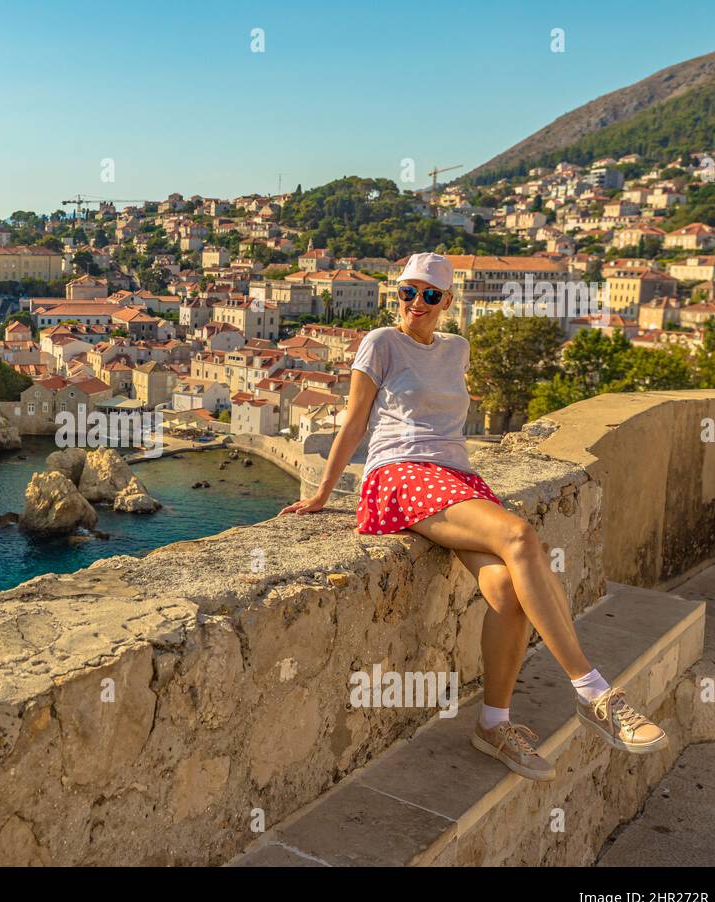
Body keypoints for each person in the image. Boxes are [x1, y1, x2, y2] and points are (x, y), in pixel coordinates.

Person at [279, 252, 665, 780]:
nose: (417, 303)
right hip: (399, 474)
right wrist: (325, 491)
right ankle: (593, 690)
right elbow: (354, 420)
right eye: (408, 292)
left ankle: (493, 723)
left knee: (508, 592)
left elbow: (449, 424)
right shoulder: (380, 342)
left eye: (430, 294)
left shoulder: (457, 349)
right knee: (520, 534)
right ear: (397, 295)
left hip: (456, 478)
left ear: (448, 302)